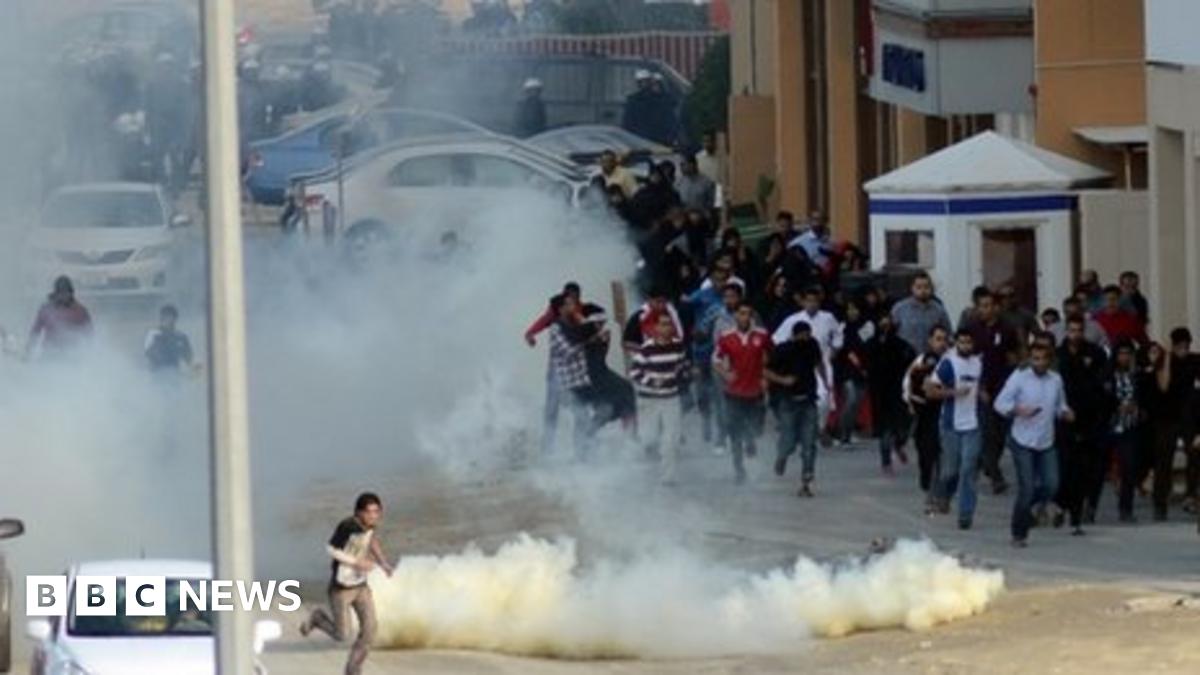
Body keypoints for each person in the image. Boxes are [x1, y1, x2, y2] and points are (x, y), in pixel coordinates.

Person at [300, 492, 393, 675]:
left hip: (361, 586)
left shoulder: (370, 527)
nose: (373, 516)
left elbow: (371, 541)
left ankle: (353, 668)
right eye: (369, 512)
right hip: (341, 589)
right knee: (342, 635)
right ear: (359, 512)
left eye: (377, 511)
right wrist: (356, 562)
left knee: (370, 630)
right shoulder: (348, 526)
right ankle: (318, 619)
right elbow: (331, 549)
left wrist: (383, 563)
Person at [995, 344, 1075, 546]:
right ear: (1030, 359)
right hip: (1022, 440)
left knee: (1051, 484)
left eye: (1043, 359)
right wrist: (1018, 410)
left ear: (1050, 360)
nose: (1039, 363)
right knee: (1027, 488)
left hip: (1046, 440)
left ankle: (1029, 509)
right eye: (1035, 359)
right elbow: (1000, 403)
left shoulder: (1055, 380)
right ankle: (1019, 533)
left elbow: (1060, 405)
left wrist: (1065, 412)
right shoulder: (1019, 377)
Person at [961, 289, 1020, 495]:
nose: (985, 310)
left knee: (1001, 433)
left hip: (1002, 385)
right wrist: (978, 387)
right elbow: (966, 360)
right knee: (987, 431)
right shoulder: (971, 329)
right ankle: (996, 476)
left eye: (989, 306)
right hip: (981, 386)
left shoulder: (1007, 328)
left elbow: (1014, 356)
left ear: (996, 307)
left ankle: (987, 463)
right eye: (981, 306)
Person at [1056, 316, 1112, 530]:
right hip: (1065, 417)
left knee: (1090, 467)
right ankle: (1063, 505)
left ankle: (1086, 507)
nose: (1075, 334)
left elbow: (1103, 381)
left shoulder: (1095, 353)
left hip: (1091, 418)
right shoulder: (1059, 354)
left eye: (1079, 330)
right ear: (1066, 331)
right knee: (1066, 466)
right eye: (1072, 330)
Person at [926, 328, 983, 529]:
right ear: (956, 343)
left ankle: (965, 514)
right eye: (962, 342)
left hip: (973, 425)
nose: (965, 346)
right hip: (951, 425)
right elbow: (930, 390)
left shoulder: (978, 363)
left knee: (968, 468)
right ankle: (942, 494)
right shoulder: (948, 363)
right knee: (950, 470)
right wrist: (953, 393)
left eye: (969, 342)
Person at [713, 302, 771, 484]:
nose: (745, 317)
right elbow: (715, 359)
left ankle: (751, 441)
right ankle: (739, 469)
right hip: (734, 392)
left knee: (755, 428)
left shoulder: (762, 335)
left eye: (748, 314)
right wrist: (726, 374)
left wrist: (766, 377)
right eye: (741, 313)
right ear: (736, 316)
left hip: (755, 391)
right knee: (735, 432)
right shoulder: (726, 336)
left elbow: (771, 357)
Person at [767, 321, 827, 496]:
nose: (806, 338)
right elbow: (766, 371)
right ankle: (782, 456)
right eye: (803, 335)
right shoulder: (783, 350)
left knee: (809, 443)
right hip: (788, 401)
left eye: (808, 334)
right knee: (789, 440)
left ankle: (806, 479)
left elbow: (818, 363)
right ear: (795, 335)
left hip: (808, 400)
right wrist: (783, 380)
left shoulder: (812, 345)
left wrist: (824, 381)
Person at [630, 313, 690, 485]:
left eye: (669, 324)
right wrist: (652, 381)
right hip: (649, 399)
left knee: (671, 438)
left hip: (671, 397)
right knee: (649, 437)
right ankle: (641, 453)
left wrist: (685, 376)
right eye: (663, 324)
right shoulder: (646, 349)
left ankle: (668, 476)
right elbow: (634, 372)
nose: (666, 328)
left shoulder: (678, 346)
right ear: (655, 327)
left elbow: (682, 367)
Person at [527, 283, 582, 454]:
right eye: (569, 298)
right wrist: (530, 333)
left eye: (574, 298)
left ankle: (581, 448)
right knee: (552, 410)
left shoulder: (579, 312)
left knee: (581, 409)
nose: (572, 301)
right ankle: (547, 449)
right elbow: (544, 320)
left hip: (576, 371)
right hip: (557, 371)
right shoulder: (557, 313)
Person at [1153, 327, 1200, 520]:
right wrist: (1167, 358)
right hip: (1167, 417)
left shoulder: (1196, 360)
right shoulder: (1165, 360)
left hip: (1190, 417)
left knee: (1195, 454)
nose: (1183, 349)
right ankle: (1160, 504)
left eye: (1186, 345)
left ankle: (1191, 495)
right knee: (1164, 459)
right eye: (1180, 346)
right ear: (1173, 346)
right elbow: (1163, 386)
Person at [905, 325, 950, 503]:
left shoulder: (951, 360)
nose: (942, 343)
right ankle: (928, 484)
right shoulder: (922, 361)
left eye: (944, 339)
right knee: (926, 453)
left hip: (945, 412)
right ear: (930, 341)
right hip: (925, 413)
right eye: (938, 339)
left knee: (941, 453)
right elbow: (908, 383)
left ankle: (938, 491)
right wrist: (910, 402)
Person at [869, 313, 916, 474]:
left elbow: (912, 361)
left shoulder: (902, 345)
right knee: (885, 428)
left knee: (904, 424)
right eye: (883, 326)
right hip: (879, 391)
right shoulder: (871, 344)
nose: (885, 330)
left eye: (888, 326)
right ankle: (886, 460)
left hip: (899, 390)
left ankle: (899, 443)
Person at [1105, 340, 1146, 522]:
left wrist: (1137, 407)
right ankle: (1089, 507)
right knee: (1097, 468)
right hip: (1110, 425)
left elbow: (1143, 397)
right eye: (1121, 353)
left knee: (1129, 467)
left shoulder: (1137, 375)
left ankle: (1126, 508)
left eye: (1128, 353)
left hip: (1130, 426)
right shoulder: (1108, 375)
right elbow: (1102, 397)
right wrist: (1117, 406)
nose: (1125, 357)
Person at [834, 299, 873, 444]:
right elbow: (840, 346)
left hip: (864, 368)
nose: (852, 312)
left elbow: (864, 344)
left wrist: (862, 365)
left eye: (855, 309)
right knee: (850, 399)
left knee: (857, 403)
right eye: (849, 309)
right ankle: (840, 432)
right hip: (846, 369)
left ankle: (848, 432)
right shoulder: (841, 326)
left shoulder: (868, 325)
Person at [27, 276, 93, 360]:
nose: (63, 296)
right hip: (49, 354)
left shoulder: (80, 311)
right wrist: (28, 350)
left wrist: (90, 355)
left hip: (72, 356)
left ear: (71, 293)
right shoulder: (46, 309)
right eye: (61, 292)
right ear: (56, 293)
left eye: (66, 292)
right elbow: (35, 332)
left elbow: (89, 334)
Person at [891, 272, 952, 354]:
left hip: (931, 357)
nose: (923, 290)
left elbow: (948, 333)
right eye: (919, 287)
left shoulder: (939, 310)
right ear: (912, 288)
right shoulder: (900, 309)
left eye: (926, 287)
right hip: (905, 356)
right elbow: (891, 333)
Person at [144, 305, 194, 373]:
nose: (168, 320)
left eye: (171, 317)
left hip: (174, 373)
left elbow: (188, 357)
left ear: (175, 319)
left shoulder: (181, 337)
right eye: (165, 317)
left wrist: (192, 367)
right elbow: (148, 353)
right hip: (156, 373)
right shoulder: (153, 334)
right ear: (161, 318)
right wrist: (161, 341)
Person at [621, 69, 656, 141]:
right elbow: (628, 123)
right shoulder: (633, 100)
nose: (644, 84)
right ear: (638, 83)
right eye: (642, 82)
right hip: (638, 138)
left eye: (646, 81)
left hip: (655, 138)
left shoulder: (659, 99)